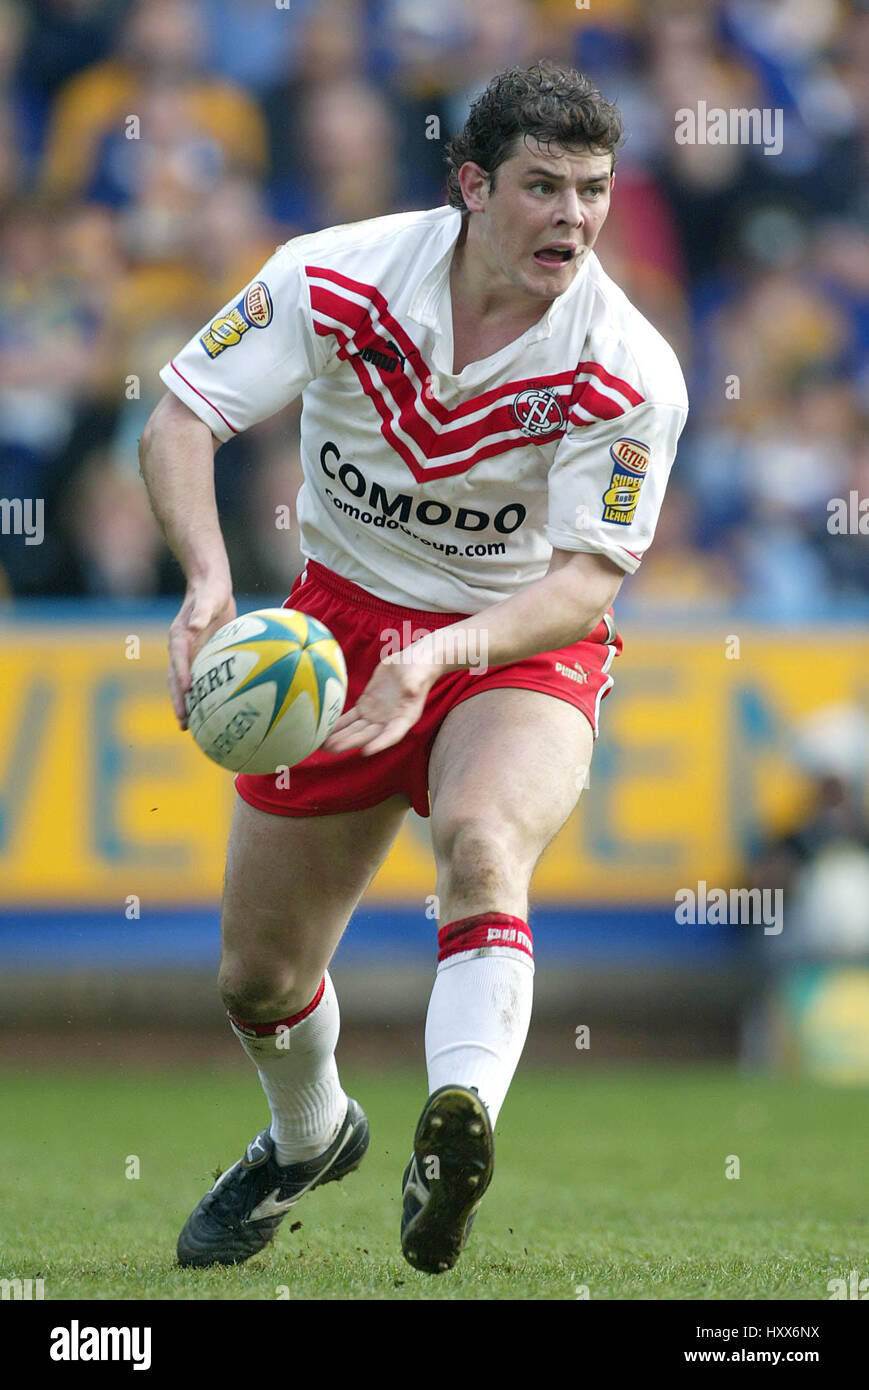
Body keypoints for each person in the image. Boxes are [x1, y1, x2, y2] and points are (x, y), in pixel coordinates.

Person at [139, 61, 688, 1275]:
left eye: (592, 190)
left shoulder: (629, 366)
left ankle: (461, 1123)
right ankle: (309, 1135)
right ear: (470, 185)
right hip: (328, 629)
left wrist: (439, 652)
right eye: (540, 186)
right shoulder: (334, 275)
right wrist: (207, 581)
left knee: (484, 846)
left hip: (515, 640)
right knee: (258, 976)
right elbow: (181, 416)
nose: (572, 217)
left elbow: (590, 579)